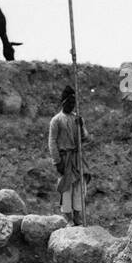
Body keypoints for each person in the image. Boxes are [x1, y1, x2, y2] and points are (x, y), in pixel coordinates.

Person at [48, 85, 88, 225]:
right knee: (66, 188)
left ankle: (77, 215)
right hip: (65, 159)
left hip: (77, 158)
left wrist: (81, 126)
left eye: (74, 103)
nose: (72, 106)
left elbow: (84, 137)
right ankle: (69, 217)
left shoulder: (77, 119)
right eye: (69, 103)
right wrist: (57, 161)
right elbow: (52, 141)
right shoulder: (56, 120)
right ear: (63, 103)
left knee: (79, 186)